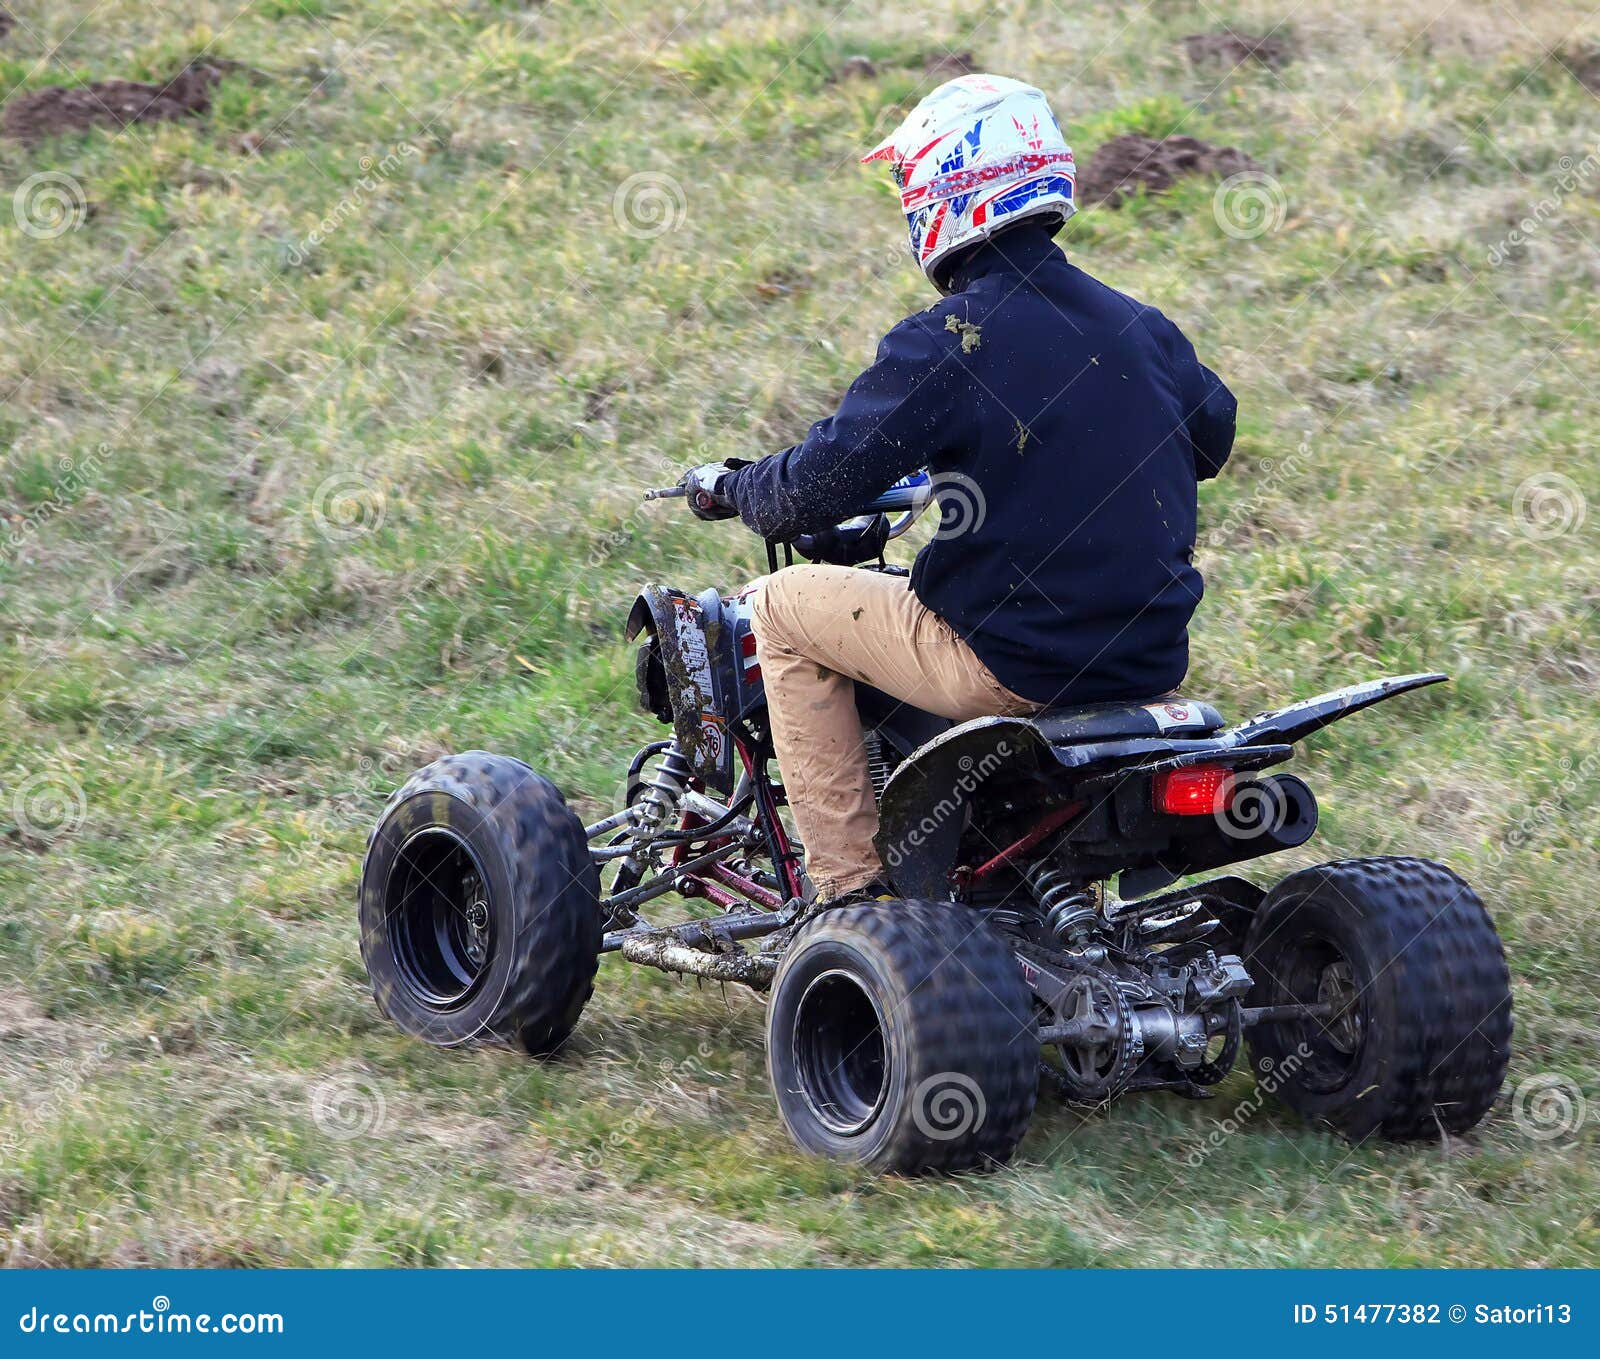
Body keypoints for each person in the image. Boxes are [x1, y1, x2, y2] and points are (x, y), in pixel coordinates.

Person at [680, 74, 1236, 905]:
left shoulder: (951, 338)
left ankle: (848, 901)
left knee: (784, 606)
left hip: (1015, 662)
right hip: (1144, 659)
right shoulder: (1139, 326)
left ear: (946, 195)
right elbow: (1212, 434)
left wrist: (734, 486)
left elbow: (814, 490)